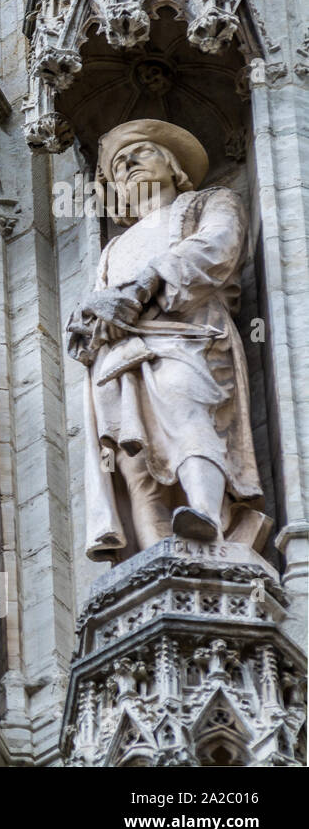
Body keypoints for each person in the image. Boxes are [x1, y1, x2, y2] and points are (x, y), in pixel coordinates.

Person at [67, 119, 270, 560]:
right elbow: (96, 308)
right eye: (120, 165)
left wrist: (146, 283)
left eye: (142, 152)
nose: (130, 165)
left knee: (189, 414)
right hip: (119, 359)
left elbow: (217, 249)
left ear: (173, 165)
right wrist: (91, 321)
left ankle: (207, 521)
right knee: (134, 464)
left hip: (186, 337)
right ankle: (156, 558)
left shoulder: (209, 202)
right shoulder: (113, 248)